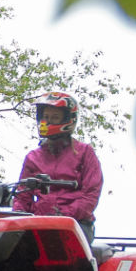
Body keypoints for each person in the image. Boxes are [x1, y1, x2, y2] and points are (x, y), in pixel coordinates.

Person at [11, 91, 103, 242]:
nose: (48, 122)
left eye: (54, 118)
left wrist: (62, 214)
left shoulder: (84, 152)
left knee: (59, 249)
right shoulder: (33, 157)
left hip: (75, 224)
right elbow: (22, 196)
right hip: (38, 224)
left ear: (68, 120)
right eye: (46, 117)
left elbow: (90, 195)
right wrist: (19, 217)